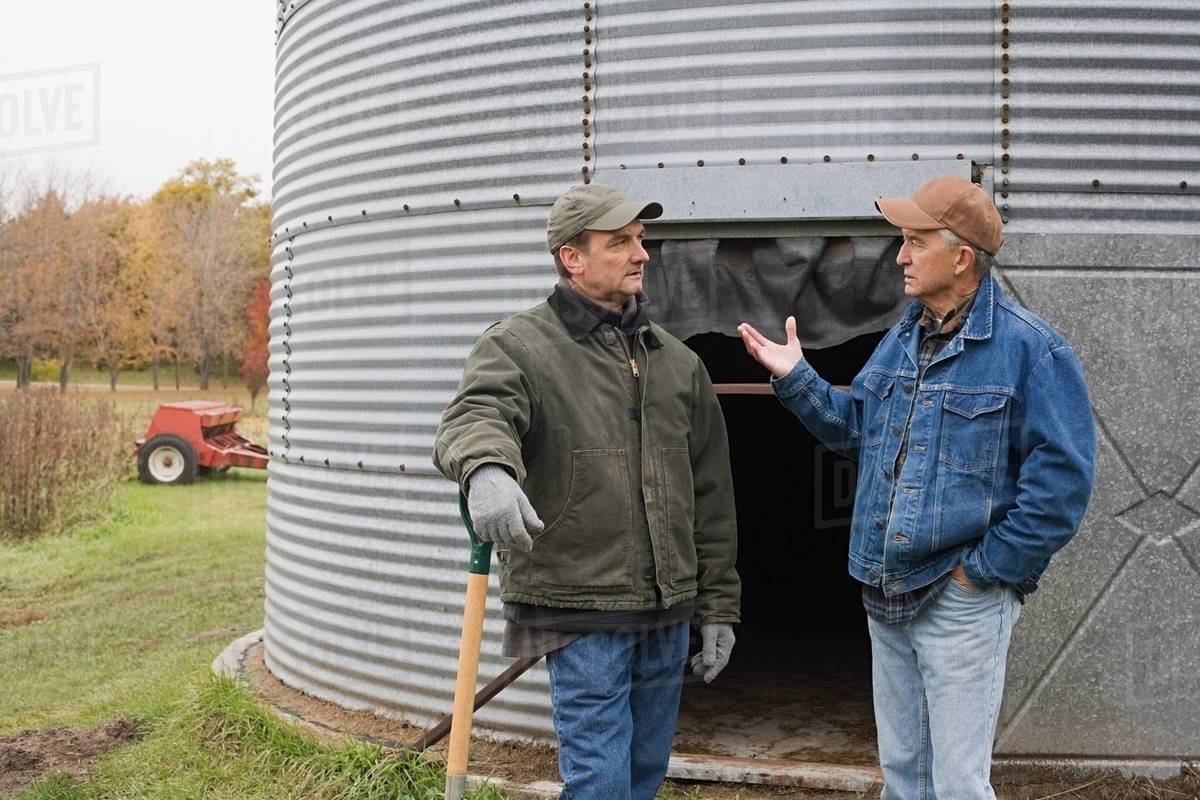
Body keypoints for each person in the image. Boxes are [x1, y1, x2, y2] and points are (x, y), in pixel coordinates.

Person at [738, 175, 1095, 800]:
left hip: (960, 597)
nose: (900, 256)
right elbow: (859, 431)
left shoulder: (1031, 349)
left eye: (914, 242)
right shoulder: (904, 338)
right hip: (886, 590)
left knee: (957, 783)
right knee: (904, 774)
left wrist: (984, 570)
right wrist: (798, 377)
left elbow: (1061, 487)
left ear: (961, 258)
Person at [433, 182, 740, 800]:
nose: (641, 254)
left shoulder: (679, 363)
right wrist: (487, 469)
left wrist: (718, 606)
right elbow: (475, 416)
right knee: (600, 782)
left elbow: (710, 498)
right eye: (620, 242)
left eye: (641, 240)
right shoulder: (519, 345)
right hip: (582, 607)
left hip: (668, 608)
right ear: (572, 258)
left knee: (644, 776)